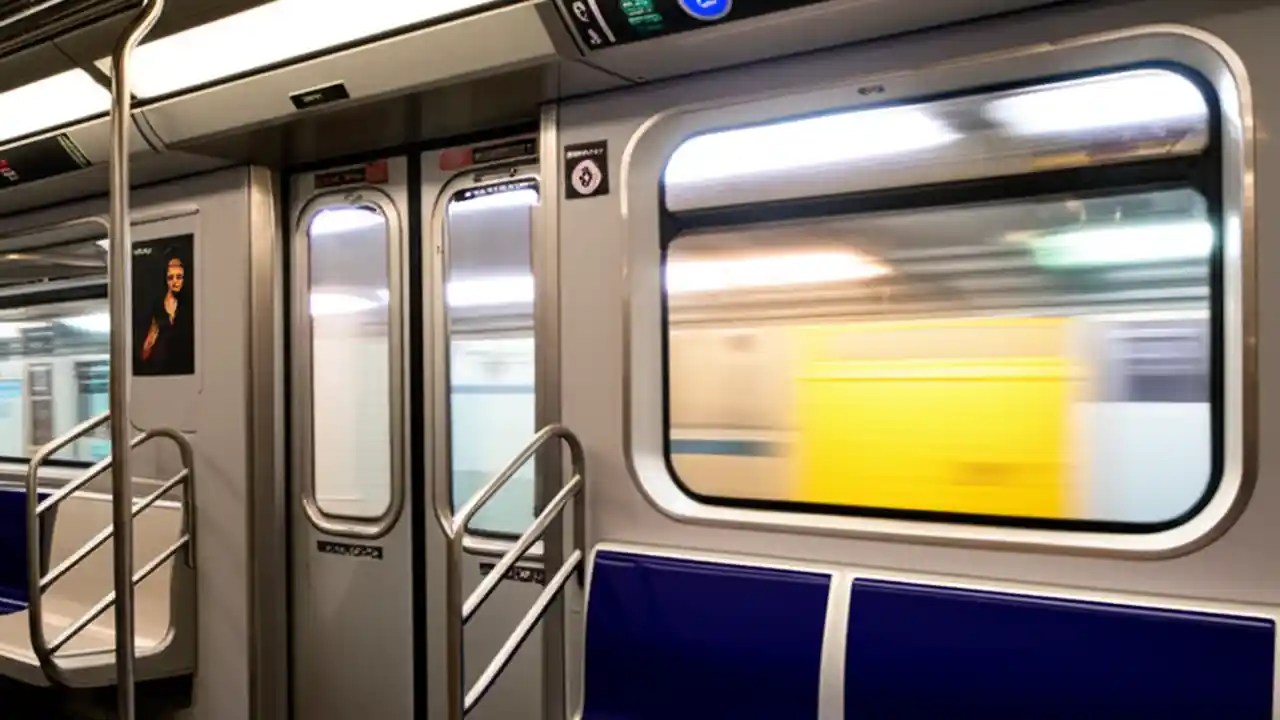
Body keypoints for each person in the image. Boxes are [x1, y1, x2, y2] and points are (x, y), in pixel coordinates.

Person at [138, 252, 193, 375]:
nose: (175, 282)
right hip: (160, 369)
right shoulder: (157, 305)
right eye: (170, 277)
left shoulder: (189, 305)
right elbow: (147, 344)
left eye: (179, 277)